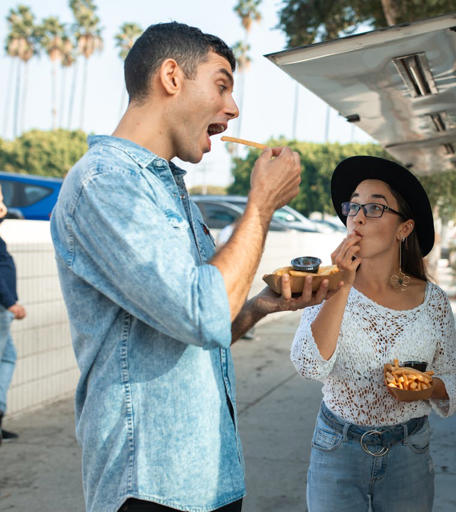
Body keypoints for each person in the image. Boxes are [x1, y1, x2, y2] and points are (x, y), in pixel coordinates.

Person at [51, 22, 331, 512]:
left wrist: (258, 308)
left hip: (206, 478)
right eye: (221, 85)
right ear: (172, 77)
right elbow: (201, 312)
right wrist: (260, 204)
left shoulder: (166, 187)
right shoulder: (105, 184)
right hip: (151, 485)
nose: (234, 108)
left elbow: (198, 329)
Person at [290, 156, 456, 511]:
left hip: (409, 451)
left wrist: (425, 386)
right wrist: (341, 284)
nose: (356, 216)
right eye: (353, 206)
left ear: (404, 228)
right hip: (337, 448)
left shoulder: (433, 301)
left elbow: (455, 380)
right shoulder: (328, 286)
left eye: (374, 207)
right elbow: (309, 366)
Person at [0, 187, 26, 446]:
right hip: (2, 308)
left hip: (4, 309)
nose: (3, 206)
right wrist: (10, 303)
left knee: (7, 358)